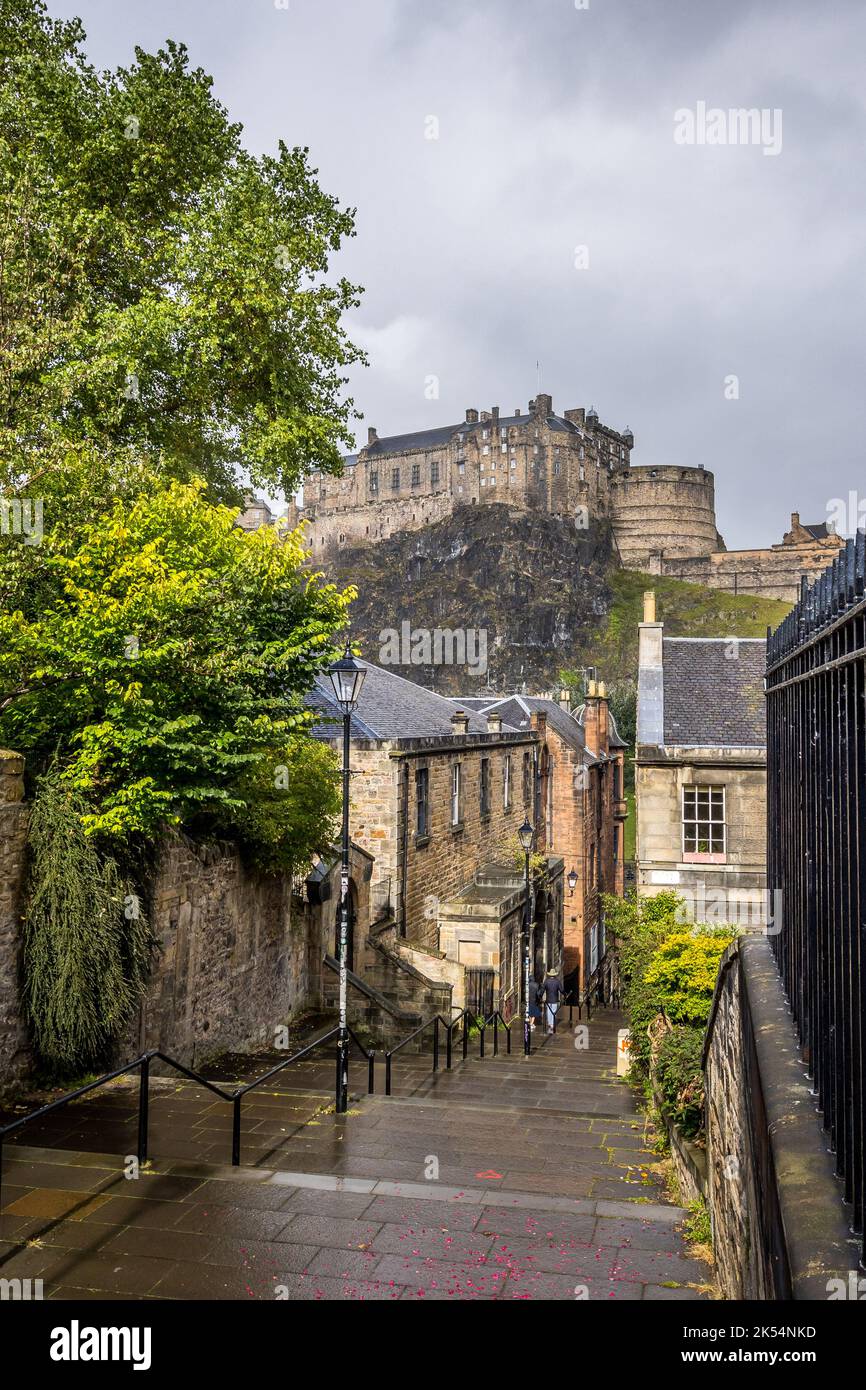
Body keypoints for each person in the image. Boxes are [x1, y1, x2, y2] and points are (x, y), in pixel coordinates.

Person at [542, 967, 564, 1032]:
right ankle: (552, 1024)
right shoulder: (557, 982)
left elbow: (542, 990)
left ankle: (549, 1023)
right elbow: (562, 990)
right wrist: (565, 994)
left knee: (549, 1011)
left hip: (548, 999)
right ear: (555, 975)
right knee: (554, 1011)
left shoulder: (546, 981)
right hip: (555, 999)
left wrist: (540, 995)